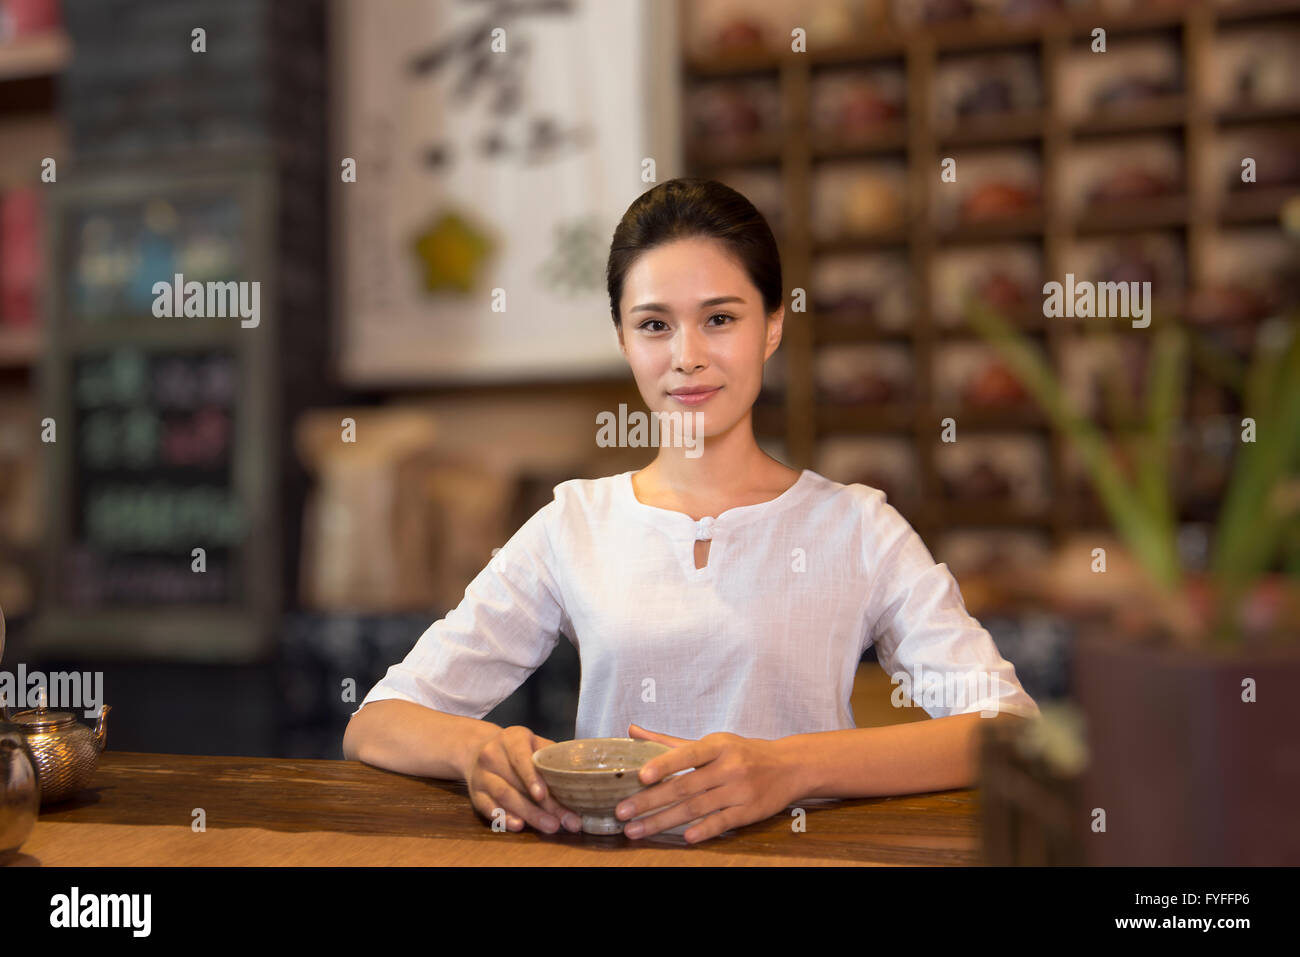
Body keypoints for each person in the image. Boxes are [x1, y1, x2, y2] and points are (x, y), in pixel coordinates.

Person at [343, 177, 1041, 845]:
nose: (687, 357)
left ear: (772, 325)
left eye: (720, 319)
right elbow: (376, 723)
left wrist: (790, 768)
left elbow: (1007, 727)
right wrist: (477, 748)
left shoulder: (858, 527)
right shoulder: (575, 522)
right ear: (622, 339)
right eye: (654, 324)